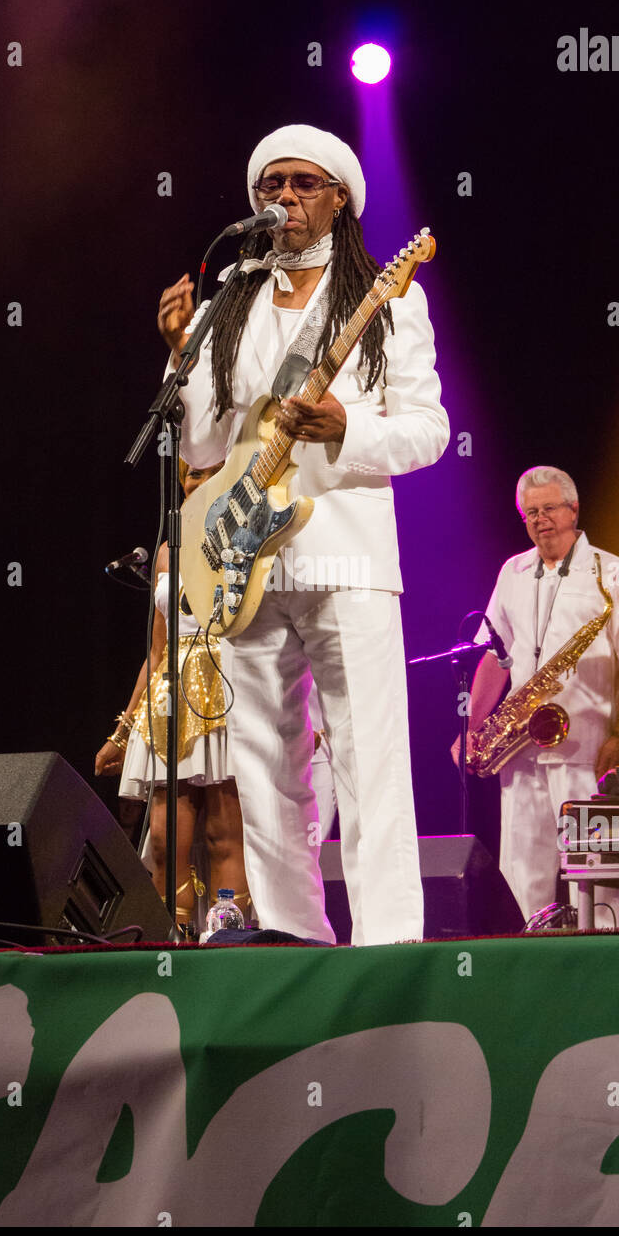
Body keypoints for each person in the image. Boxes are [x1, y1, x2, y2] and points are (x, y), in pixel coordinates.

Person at [157, 124, 449, 945]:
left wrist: (344, 428)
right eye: (270, 185)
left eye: (301, 184)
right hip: (248, 559)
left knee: (370, 760)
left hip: (348, 555)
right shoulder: (229, 301)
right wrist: (181, 357)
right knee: (264, 768)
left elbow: (427, 431)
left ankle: (389, 947)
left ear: (339, 199)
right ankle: (293, 940)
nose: (282, 197)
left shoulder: (388, 297)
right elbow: (208, 449)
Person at [454, 466, 619, 928]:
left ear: (574, 509)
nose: (540, 520)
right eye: (530, 513)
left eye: (549, 509)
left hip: (585, 749)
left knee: (597, 879)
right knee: (520, 880)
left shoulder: (610, 572)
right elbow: (494, 657)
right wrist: (473, 730)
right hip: (521, 752)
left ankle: (607, 960)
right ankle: (525, 967)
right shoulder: (513, 570)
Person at [95, 464, 249, 933]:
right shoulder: (166, 552)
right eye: (188, 474)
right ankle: (172, 945)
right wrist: (122, 732)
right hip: (170, 698)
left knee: (224, 833)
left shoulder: (247, 532)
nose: (193, 482)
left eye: (206, 473)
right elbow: (156, 651)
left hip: (224, 683)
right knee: (164, 839)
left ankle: (230, 941)